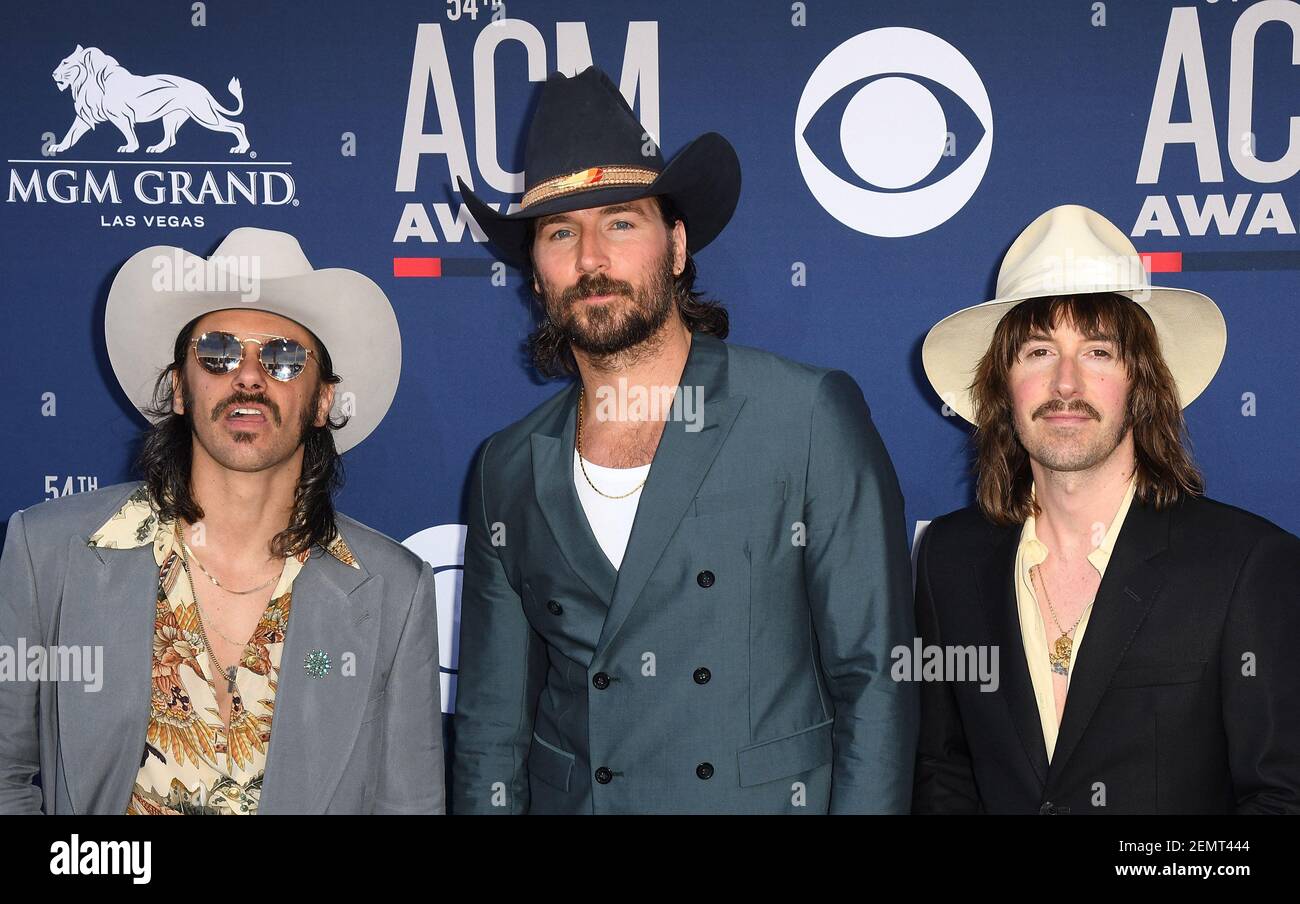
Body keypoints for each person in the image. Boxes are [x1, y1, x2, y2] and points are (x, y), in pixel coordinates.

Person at [451, 66, 916, 814]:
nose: (591, 259)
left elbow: (877, 683)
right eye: (560, 232)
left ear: (675, 246)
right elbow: (490, 729)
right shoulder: (505, 465)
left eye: (621, 222)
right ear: (535, 273)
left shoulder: (804, 416)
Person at [0, 227, 444, 814]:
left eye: (285, 358)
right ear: (180, 387)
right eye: (218, 352)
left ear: (322, 401)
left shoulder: (395, 591)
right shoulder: (48, 552)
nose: (250, 377)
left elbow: (407, 808)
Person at [913, 204, 1300, 814]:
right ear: (1000, 385)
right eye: (1038, 352)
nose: (1066, 384)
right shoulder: (949, 558)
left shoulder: (1246, 565)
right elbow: (943, 768)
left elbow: (1281, 797)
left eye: (1097, 352)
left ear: (1141, 382)